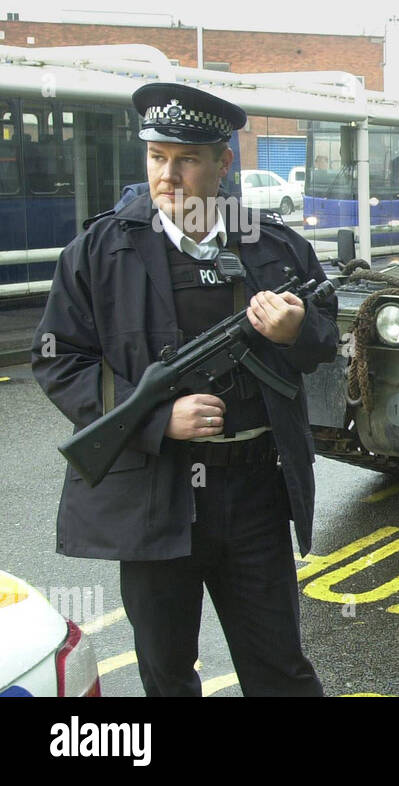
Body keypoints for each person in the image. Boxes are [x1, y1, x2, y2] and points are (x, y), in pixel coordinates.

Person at [32, 82, 339, 697]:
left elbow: (326, 349)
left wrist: (299, 330)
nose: (169, 175)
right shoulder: (97, 252)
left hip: (254, 490)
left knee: (279, 667)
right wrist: (156, 419)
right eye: (157, 157)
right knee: (167, 673)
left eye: (188, 158)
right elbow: (59, 359)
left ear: (225, 163)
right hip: (155, 491)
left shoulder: (275, 247)